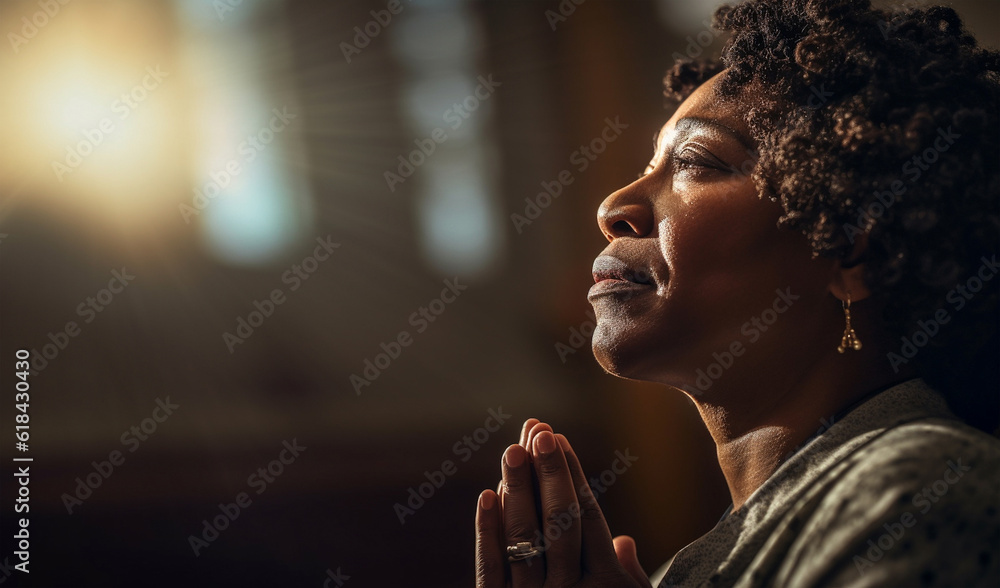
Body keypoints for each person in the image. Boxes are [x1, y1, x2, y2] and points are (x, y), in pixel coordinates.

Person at [474, 0, 1000, 586]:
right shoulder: (677, 571)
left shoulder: (924, 490)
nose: (613, 208)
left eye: (693, 161)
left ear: (849, 251)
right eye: (649, 166)